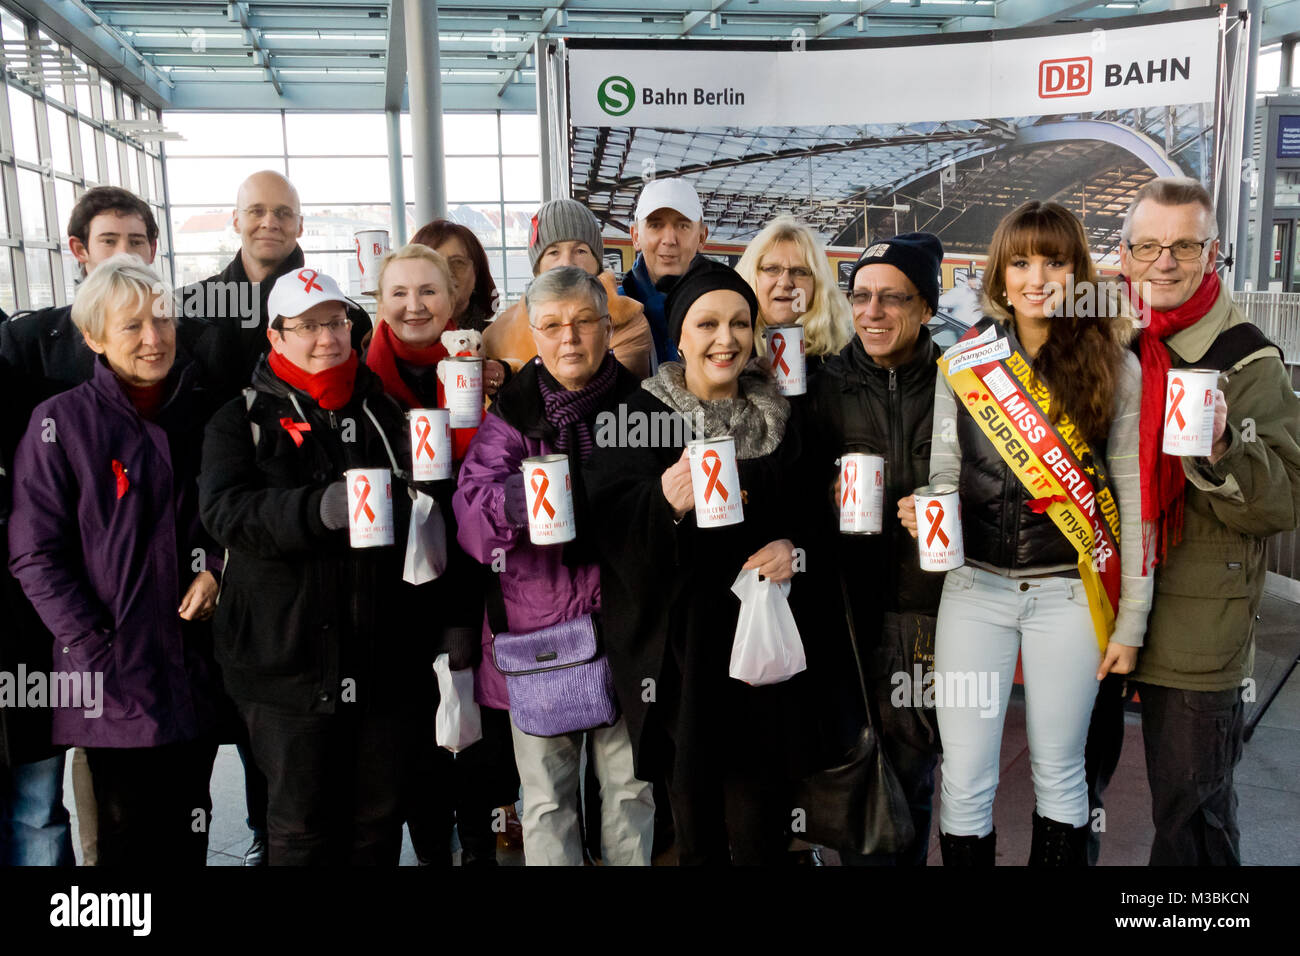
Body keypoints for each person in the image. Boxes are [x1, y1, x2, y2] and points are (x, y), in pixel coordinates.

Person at [920, 201, 1151, 866]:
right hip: (973, 590)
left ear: (1079, 270)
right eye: (1021, 260)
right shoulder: (965, 364)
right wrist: (929, 506)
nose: (1036, 276)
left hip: (1070, 598)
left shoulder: (1117, 367)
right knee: (964, 779)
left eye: (1055, 259)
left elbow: (1134, 504)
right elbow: (943, 469)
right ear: (999, 272)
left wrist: (1131, 620)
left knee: (1060, 773)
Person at [584, 257, 828, 865]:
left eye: (741, 324)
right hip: (681, 659)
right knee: (692, 824)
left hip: (763, 656)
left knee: (761, 823)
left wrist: (794, 552)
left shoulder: (785, 419)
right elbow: (604, 536)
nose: (727, 340)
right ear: (680, 335)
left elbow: (820, 519)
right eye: (708, 324)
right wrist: (661, 504)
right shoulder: (635, 419)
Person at [199, 265, 437, 865]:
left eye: (335, 322)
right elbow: (225, 514)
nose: (327, 338)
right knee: (300, 828)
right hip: (285, 668)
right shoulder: (240, 420)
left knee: (377, 822)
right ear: (276, 337)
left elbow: (425, 511)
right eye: (307, 326)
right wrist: (317, 509)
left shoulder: (385, 413)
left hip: (382, 660)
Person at [8, 256, 224, 866]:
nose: (153, 338)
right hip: (108, 677)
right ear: (95, 337)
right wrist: (94, 646)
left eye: (162, 320)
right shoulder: (59, 423)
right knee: (127, 842)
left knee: (190, 829)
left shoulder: (202, 413)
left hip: (191, 667)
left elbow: (230, 518)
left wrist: (217, 571)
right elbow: (33, 553)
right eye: (131, 326)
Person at [1118, 178, 1300, 866]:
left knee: (1191, 816)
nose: (1165, 262)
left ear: (1213, 251)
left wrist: (1224, 451)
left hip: (1197, 623)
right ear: (1127, 254)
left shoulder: (1248, 357)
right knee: (1070, 793)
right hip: (1095, 609)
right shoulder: (1102, 341)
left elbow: (1285, 503)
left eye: (1185, 246)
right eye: (1150, 246)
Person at [455, 267, 655, 865]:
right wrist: (514, 502)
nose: (569, 337)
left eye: (583, 322)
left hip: (626, 633)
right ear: (533, 335)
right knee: (545, 802)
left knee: (630, 792)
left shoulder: (645, 410)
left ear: (605, 327)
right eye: (552, 325)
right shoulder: (510, 416)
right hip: (539, 636)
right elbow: (469, 517)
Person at [0, 185, 161, 867]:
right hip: (60, 605)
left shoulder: (176, 367)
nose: (120, 254)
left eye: (134, 242)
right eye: (107, 241)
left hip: (118, 611)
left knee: (53, 797)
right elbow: (33, 514)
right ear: (77, 251)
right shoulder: (30, 343)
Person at [361, 243, 503, 867]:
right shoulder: (359, 383)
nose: (414, 306)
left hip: (467, 579)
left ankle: (477, 848)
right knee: (414, 735)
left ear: (453, 300)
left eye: (428, 292)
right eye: (399, 293)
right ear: (380, 301)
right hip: (390, 588)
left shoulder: (484, 375)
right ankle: (431, 854)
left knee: (469, 730)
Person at [808, 233, 946, 865]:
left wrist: (953, 506)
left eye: (893, 298)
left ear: (926, 306)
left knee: (914, 775)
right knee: (851, 767)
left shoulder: (962, 386)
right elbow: (789, 492)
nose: (872, 312)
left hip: (927, 612)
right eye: (861, 296)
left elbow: (995, 486)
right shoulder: (824, 384)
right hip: (846, 609)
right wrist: (823, 499)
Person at [178, 170, 373, 404]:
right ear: (237, 221)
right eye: (256, 211)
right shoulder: (185, 308)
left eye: (283, 213)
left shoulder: (348, 320)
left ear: (300, 225)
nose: (270, 223)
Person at [482, 199, 654, 379]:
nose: (567, 263)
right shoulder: (496, 334)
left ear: (597, 263)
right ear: (537, 266)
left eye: (580, 251)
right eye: (553, 253)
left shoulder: (628, 323)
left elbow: (615, 398)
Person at [736, 216, 852, 379]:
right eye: (772, 269)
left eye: (800, 272)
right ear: (752, 277)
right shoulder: (728, 358)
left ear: (817, 286)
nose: (785, 283)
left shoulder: (845, 363)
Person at [621, 178, 710, 365]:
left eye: (683, 226)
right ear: (635, 236)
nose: (669, 239)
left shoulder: (726, 308)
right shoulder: (612, 313)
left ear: (702, 237)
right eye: (655, 225)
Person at [410, 219, 500, 334]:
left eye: (458, 262)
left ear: (476, 274)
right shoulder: (397, 340)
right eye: (433, 262)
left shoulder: (498, 340)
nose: (446, 271)